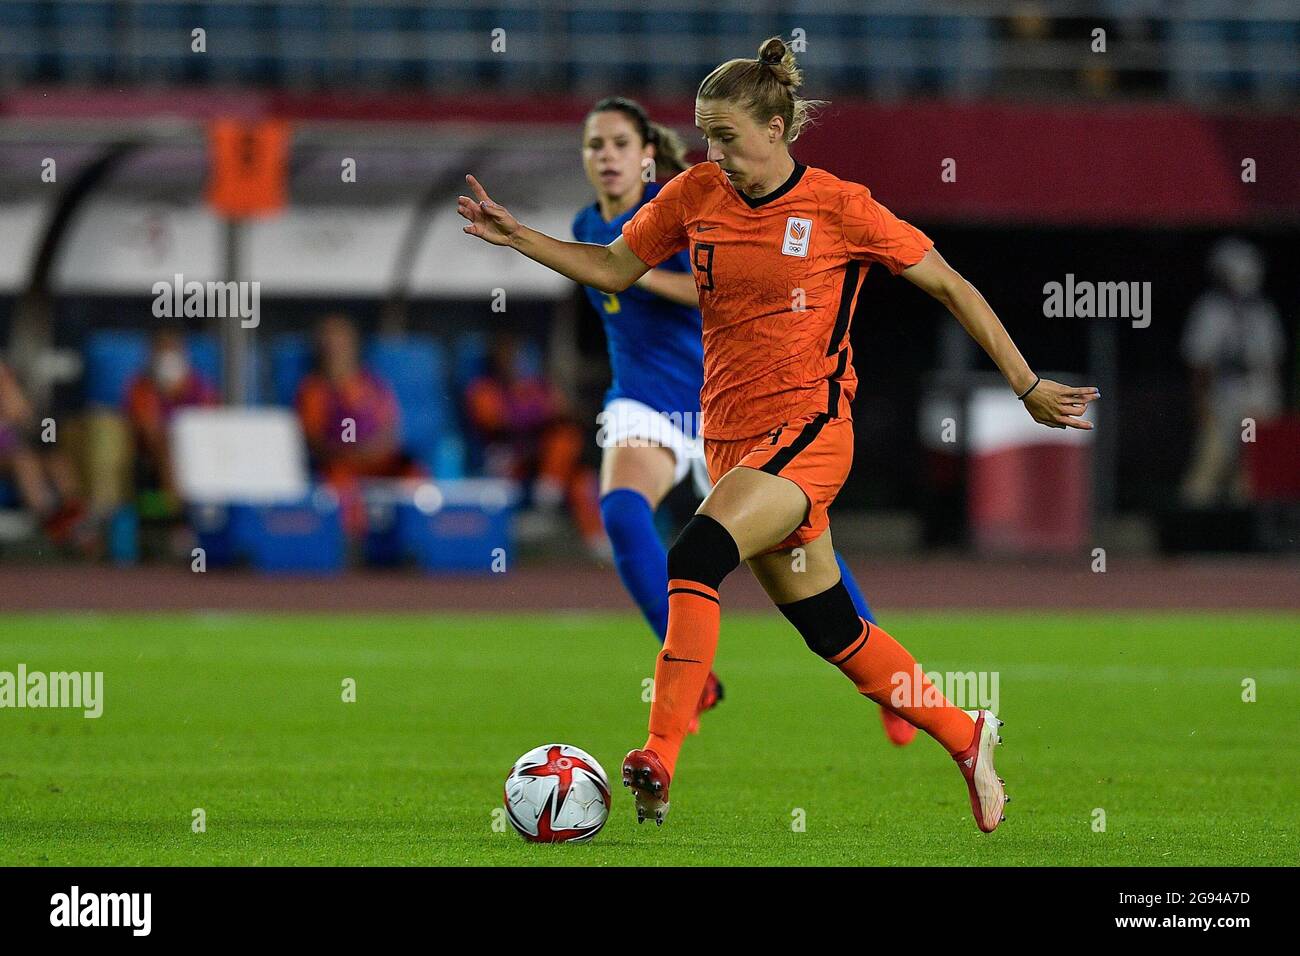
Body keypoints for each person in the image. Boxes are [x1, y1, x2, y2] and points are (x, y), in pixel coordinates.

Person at [458, 37, 1100, 833]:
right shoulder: (696, 193)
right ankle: (968, 735)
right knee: (834, 631)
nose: (713, 153)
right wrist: (517, 237)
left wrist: (1027, 383)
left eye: (727, 136)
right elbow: (615, 267)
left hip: (812, 431)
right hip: (734, 442)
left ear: (776, 126)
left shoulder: (840, 207)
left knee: (694, 552)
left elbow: (950, 284)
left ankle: (660, 752)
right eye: (704, 136)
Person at [572, 95, 913, 743]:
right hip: (645, 404)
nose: (607, 156)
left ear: (648, 156)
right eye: (594, 145)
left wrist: (632, 277)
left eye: (620, 143)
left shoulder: (679, 208)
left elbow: (716, 293)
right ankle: (693, 677)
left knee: (804, 553)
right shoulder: (584, 224)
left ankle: (895, 690)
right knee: (620, 511)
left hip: (725, 409)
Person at [464, 332, 606, 555]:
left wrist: (548, 413)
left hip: (540, 457)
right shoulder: (483, 389)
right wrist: (537, 417)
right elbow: (496, 424)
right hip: (504, 455)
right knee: (553, 444)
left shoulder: (535, 386)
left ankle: (596, 542)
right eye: (506, 358)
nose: (513, 363)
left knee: (580, 474)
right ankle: (545, 498)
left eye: (516, 357)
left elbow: (565, 412)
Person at [1180, 238, 1286, 506]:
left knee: (1253, 465)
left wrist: (1274, 404)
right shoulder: (1210, 309)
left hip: (1257, 397)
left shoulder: (1263, 311)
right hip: (1223, 396)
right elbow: (1199, 362)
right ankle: (1194, 527)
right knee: (1211, 461)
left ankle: (1249, 525)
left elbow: (1272, 361)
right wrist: (1201, 404)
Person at [296, 314, 422, 537]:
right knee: (339, 484)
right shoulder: (312, 390)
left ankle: (414, 540)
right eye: (329, 342)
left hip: (376, 460)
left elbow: (390, 431)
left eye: (340, 342)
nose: (335, 349)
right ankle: (353, 545)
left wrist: (371, 452)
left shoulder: (374, 385)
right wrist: (348, 454)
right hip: (339, 465)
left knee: (413, 473)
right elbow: (313, 440)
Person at [124, 329, 219, 513]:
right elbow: (147, 430)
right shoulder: (142, 387)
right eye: (162, 354)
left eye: (172, 353)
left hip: (197, 454)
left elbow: (208, 426)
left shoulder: (200, 387)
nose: (167, 361)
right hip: (153, 461)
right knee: (167, 441)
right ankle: (178, 510)